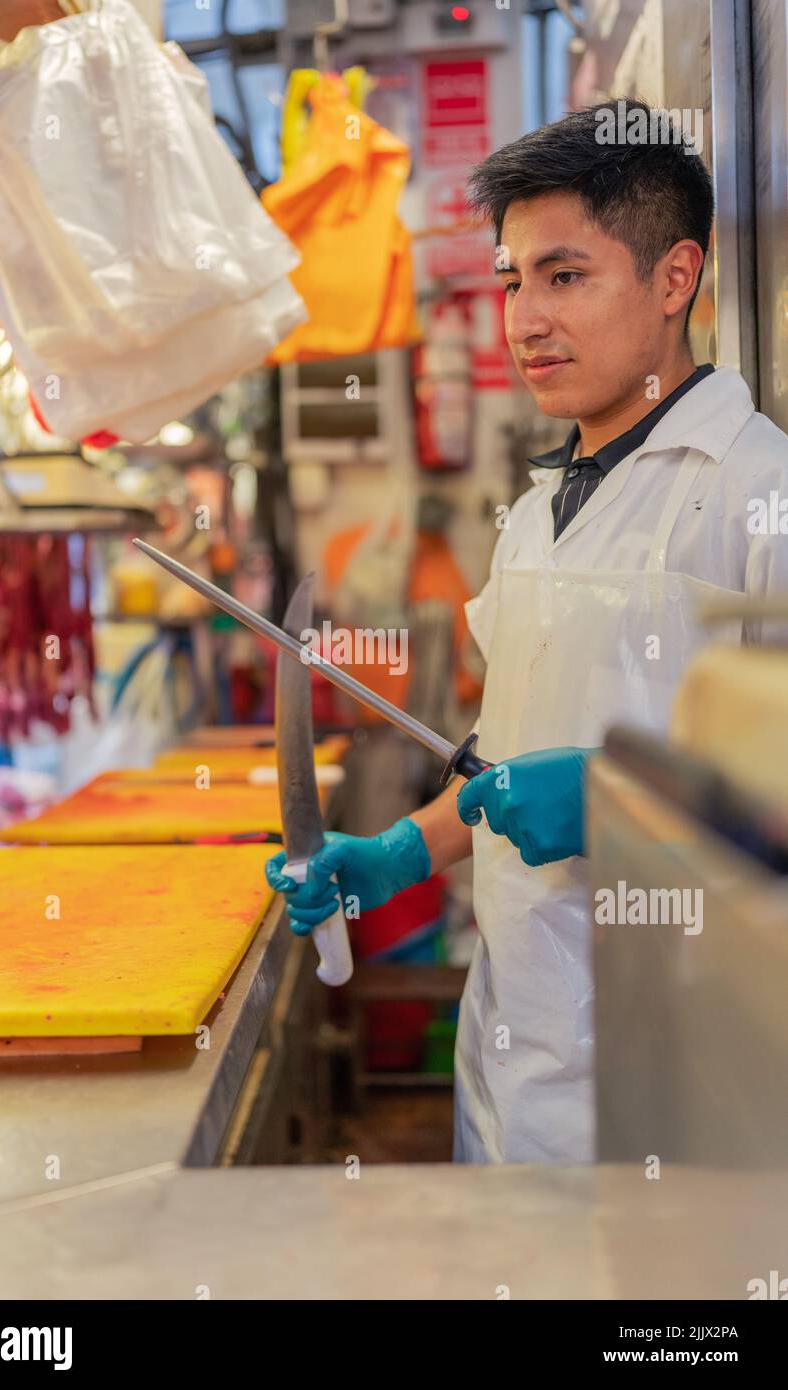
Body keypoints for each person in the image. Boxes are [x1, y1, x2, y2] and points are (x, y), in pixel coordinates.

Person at [266, 100, 788, 1163]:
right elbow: (502, 763)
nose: (523, 319)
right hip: (514, 1069)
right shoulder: (540, 509)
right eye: (512, 280)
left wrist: (615, 799)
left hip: (681, 1093)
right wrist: (404, 850)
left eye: (565, 276)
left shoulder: (757, 491)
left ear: (675, 278)